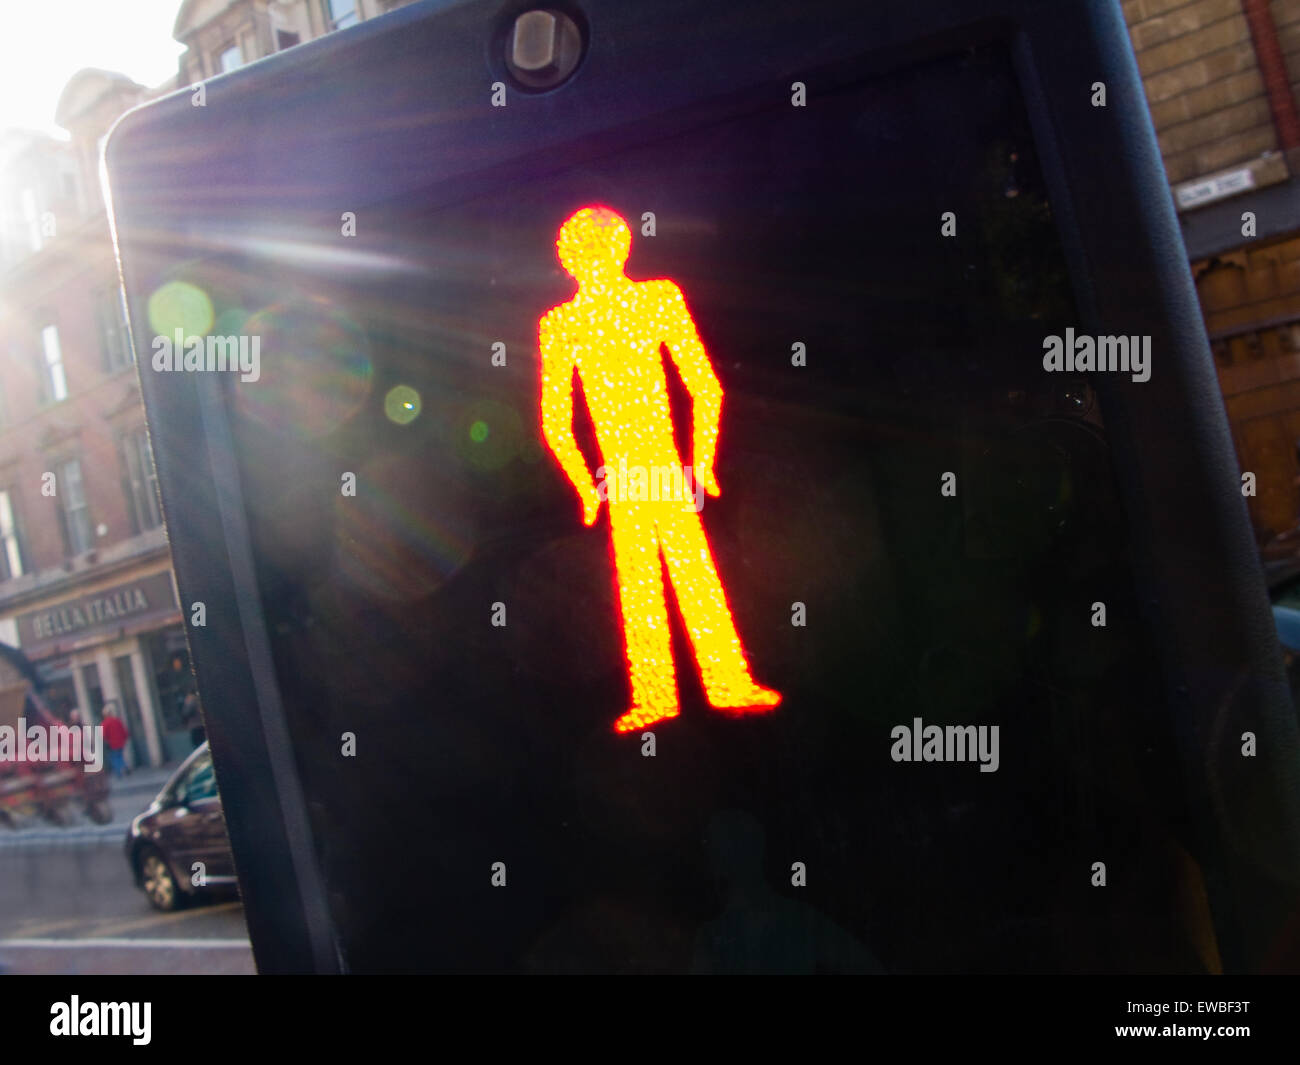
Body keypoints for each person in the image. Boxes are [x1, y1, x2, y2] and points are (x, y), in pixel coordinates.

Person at [539, 206, 782, 733]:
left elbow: (704, 387)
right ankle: (684, 691)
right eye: (587, 251)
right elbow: (556, 420)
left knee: (660, 581)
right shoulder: (583, 319)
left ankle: (689, 691)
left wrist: (699, 463)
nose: (591, 260)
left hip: (644, 472)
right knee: (664, 580)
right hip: (644, 472)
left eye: (595, 250)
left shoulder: (633, 305)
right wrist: (696, 464)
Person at [101, 704, 129, 779]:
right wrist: (125, 739)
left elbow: (103, 734)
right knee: (120, 756)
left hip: (112, 744)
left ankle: (119, 773)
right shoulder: (117, 720)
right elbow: (124, 730)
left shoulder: (105, 723)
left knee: (114, 758)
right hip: (120, 742)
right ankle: (125, 766)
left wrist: (105, 742)